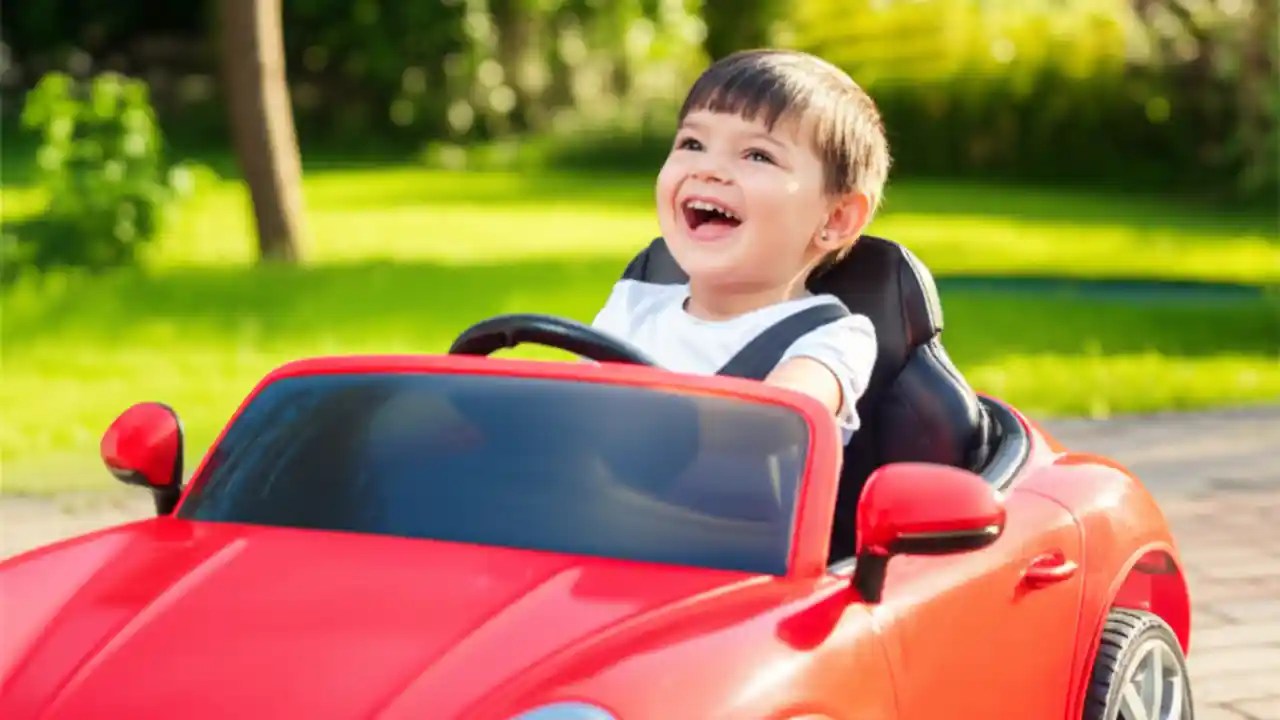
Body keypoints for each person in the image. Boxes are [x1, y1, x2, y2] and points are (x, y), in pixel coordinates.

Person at [591, 49, 890, 444]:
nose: (708, 169)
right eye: (693, 144)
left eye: (758, 155)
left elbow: (770, 428)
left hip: (723, 506)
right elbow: (571, 418)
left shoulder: (829, 338)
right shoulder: (633, 306)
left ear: (835, 219)